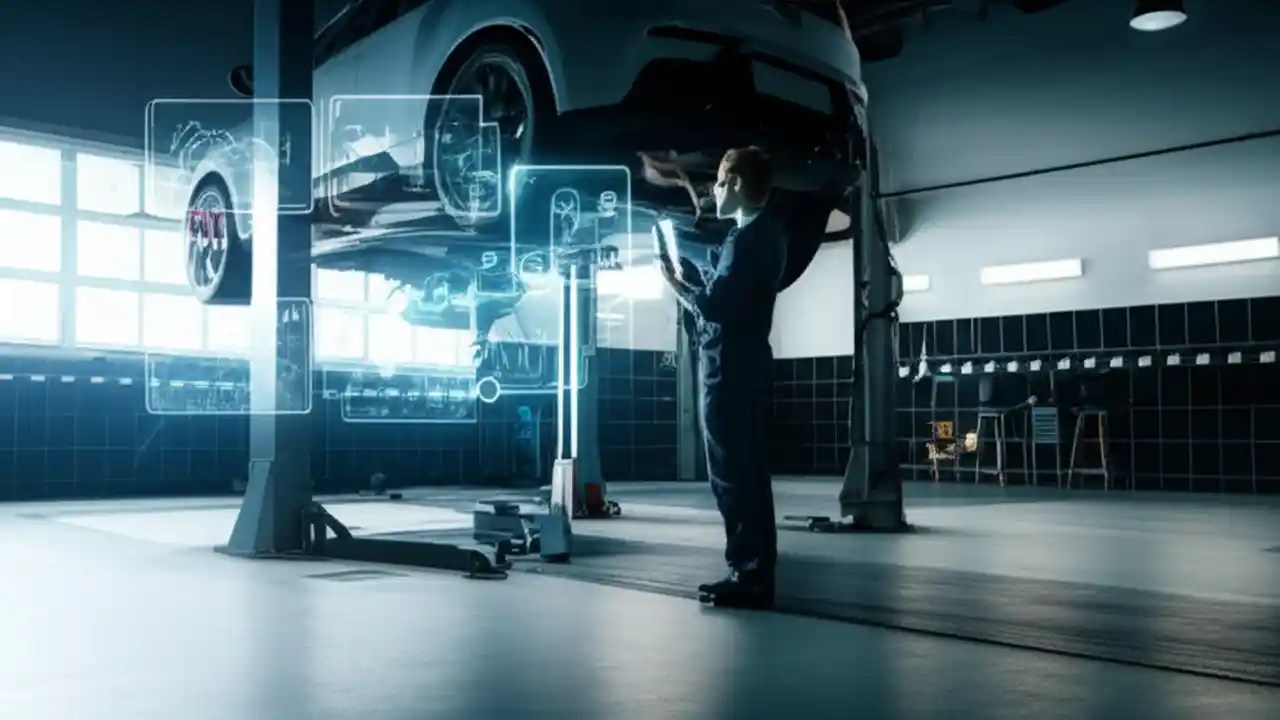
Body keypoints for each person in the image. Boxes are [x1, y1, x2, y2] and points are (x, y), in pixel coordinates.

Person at [655, 146, 787, 609]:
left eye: (718, 181)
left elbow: (714, 306)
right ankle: (756, 571)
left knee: (731, 474)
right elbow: (733, 291)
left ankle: (747, 573)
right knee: (750, 472)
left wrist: (675, 282)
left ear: (735, 184)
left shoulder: (745, 241)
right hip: (747, 365)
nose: (713, 190)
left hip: (727, 370)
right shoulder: (768, 235)